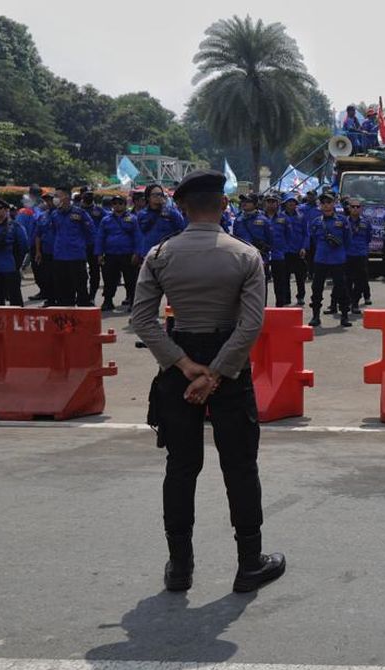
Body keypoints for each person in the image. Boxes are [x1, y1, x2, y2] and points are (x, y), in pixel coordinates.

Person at [132, 169, 286, 594]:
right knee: (240, 466)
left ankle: (180, 567)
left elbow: (142, 319)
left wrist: (185, 367)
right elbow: (252, 323)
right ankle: (248, 564)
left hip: (178, 365)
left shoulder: (160, 255)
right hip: (229, 369)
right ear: (223, 205)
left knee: (181, 468)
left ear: (181, 207)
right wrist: (216, 372)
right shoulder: (245, 255)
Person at [307, 193, 352, 327]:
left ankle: (344, 316)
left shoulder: (343, 220)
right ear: (320, 205)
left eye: (329, 202)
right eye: (323, 203)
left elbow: (348, 240)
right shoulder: (316, 222)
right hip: (321, 259)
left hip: (338, 260)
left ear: (334, 204)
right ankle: (315, 316)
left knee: (342, 288)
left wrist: (343, 253)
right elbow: (314, 239)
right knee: (317, 288)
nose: (326, 205)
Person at [45, 188, 95, 307]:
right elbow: (52, 232)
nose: (55, 198)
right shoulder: (54, 214)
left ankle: (83, 312)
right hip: (59, 256)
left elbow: (91, 231)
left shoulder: (79, 213)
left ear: (66, 197)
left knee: (80, 286)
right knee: (63, 289)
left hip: (76, 256)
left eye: (58, 195)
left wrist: (82, 246)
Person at [95, 195, 143, 311]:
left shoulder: (132, 219)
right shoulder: (106, 220)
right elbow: (100, 237)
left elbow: (138, 237)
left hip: (127, 254)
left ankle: (133, 302)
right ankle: (107, 301)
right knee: (109, 279)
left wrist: (137, 253)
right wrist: (99, 254)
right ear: (112, 205)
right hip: (111, 254)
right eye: (115, 203)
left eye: (120, 203)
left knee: (131, 279)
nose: (117, 206)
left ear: (125, 205)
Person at [276, 194, 309, 306]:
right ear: (285, 204)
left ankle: (300, 296)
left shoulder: (301, 216)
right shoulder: (280, 217)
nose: (291, 204)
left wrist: (304, 247)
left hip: (298, 250)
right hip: (285, 251)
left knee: (300, 276)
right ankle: (287, 298)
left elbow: (306, 234)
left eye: (293, 202)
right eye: (289, 202)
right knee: (285, 276)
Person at [137, 185, 187, 256]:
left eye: (161, 194)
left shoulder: (171, 212)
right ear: (148, 197)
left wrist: (167, 208)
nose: (159, 197)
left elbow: (181, 227)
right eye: (155, 195)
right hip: (148, 252)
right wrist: (138, 252)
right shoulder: (142, 214)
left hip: (166, 252)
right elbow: (139, 234)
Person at [343, 197, 372, 312]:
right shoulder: (344, 222)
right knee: (348, 280)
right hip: (347, 254)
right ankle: (349, 300)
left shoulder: (365, 222)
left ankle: (355, 302)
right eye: (353, 206)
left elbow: (368, 238)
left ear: (361, 209)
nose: (355, 209)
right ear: (349, 208)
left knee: (361, 280)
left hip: (361, 254)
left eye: (358, 207)